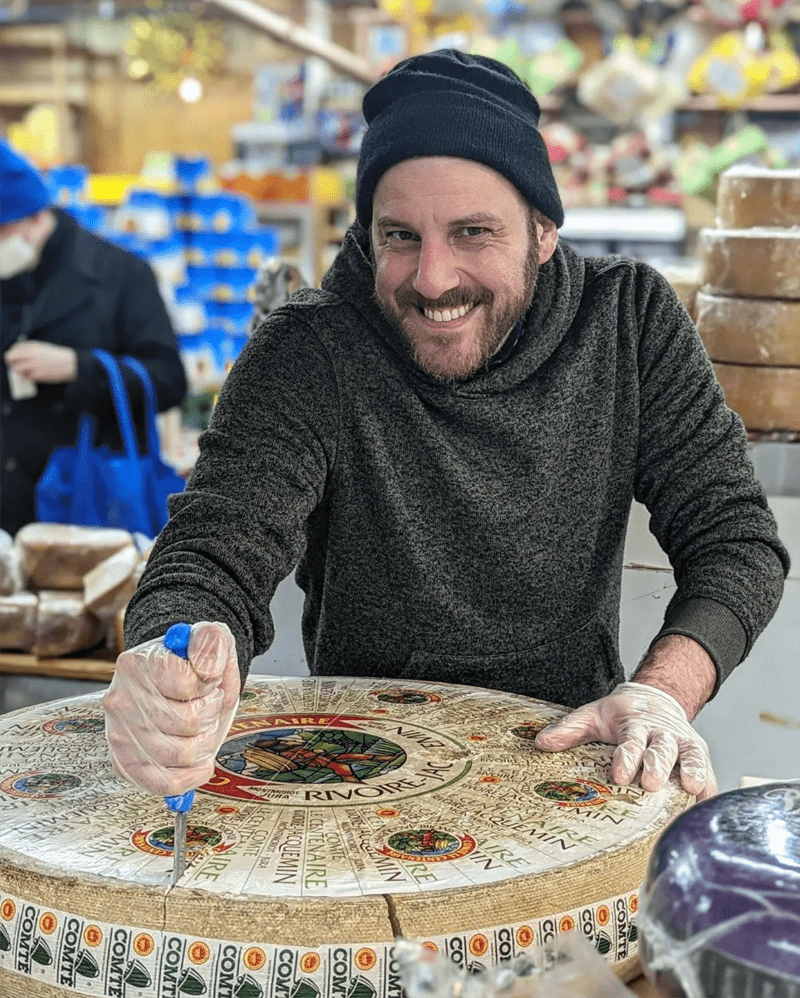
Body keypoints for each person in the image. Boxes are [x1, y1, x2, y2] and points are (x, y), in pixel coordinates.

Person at [104, 51, 789, 805]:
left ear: (542, 232)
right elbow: (210, 555)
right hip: (354, 782)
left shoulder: (629, 321)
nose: (432, 279)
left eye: (472, 232)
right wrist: (169, 662)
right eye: (399, 236)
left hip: (574, 767)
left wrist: (662, 693)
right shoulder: (309, 348)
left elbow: (734, 541)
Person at [0, 140, 187, 537]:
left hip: (87, 504)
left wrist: (78, 368)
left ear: (32, 216)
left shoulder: (121, 274)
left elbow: (169, 380)